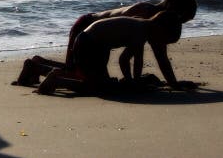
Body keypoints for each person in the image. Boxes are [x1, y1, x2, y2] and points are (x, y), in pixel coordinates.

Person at [16, 0, 197, 89]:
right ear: (174, 11)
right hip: (87, 28)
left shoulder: (155, 25)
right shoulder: (145, 14)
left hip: (99, 43)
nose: (179, 24)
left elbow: (160, 56)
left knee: (95, 79)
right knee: (78, 72)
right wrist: (134, 81)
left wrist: (174, 84)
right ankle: (36, 66)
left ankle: (39, 65)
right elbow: (114, 27)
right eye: (182, 20)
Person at [37, 11, 184, 95]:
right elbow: (130, 60)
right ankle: (56, 77)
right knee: (95, 86)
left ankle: (40, 68)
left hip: (95, 44)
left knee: (100, 82)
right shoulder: (141, 32)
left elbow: (130, 60)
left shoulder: (142, 26)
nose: (160, 44)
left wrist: (132, 80)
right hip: (89, 44)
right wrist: (133, 82)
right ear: (159, 28)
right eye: (163, 39)